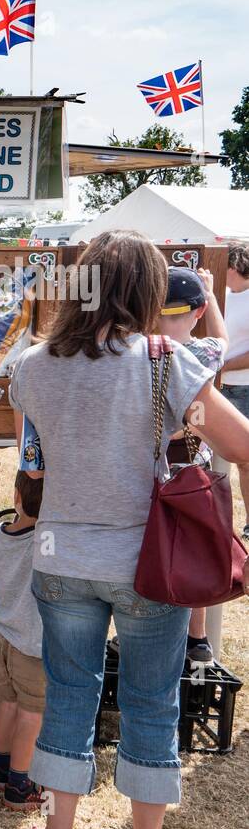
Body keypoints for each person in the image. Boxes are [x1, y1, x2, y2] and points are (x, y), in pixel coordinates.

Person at [8, 230, 249, 829]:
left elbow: (31, 463)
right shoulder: (165, 362)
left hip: (62, 557)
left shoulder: (31, 366)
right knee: (151, 700)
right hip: (148, 561)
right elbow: (241, 444)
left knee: (69, 694)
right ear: (147, 290)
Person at [157, 266, 228, 667]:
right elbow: (221, 339)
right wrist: (213, 295)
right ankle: (196, 639)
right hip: (190, 476)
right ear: (196, 311)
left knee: (151, 552)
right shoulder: (202, 352)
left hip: (149, 471)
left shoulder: (139, 352)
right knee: (193, 553)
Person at [0, 471, 46, 812]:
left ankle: (0, 770)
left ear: (15, 496)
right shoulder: (45, 541)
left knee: (6, 704)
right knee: (31, 713)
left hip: (0, 634)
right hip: (31, 644)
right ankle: (21, 785)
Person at [213, 241, 249, 538]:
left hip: (245, 388)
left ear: (235, 266)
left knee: (246, 462)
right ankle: (220, 524)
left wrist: (219, 367)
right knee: (217, 461)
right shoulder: (223, 296)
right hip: (220, 388)